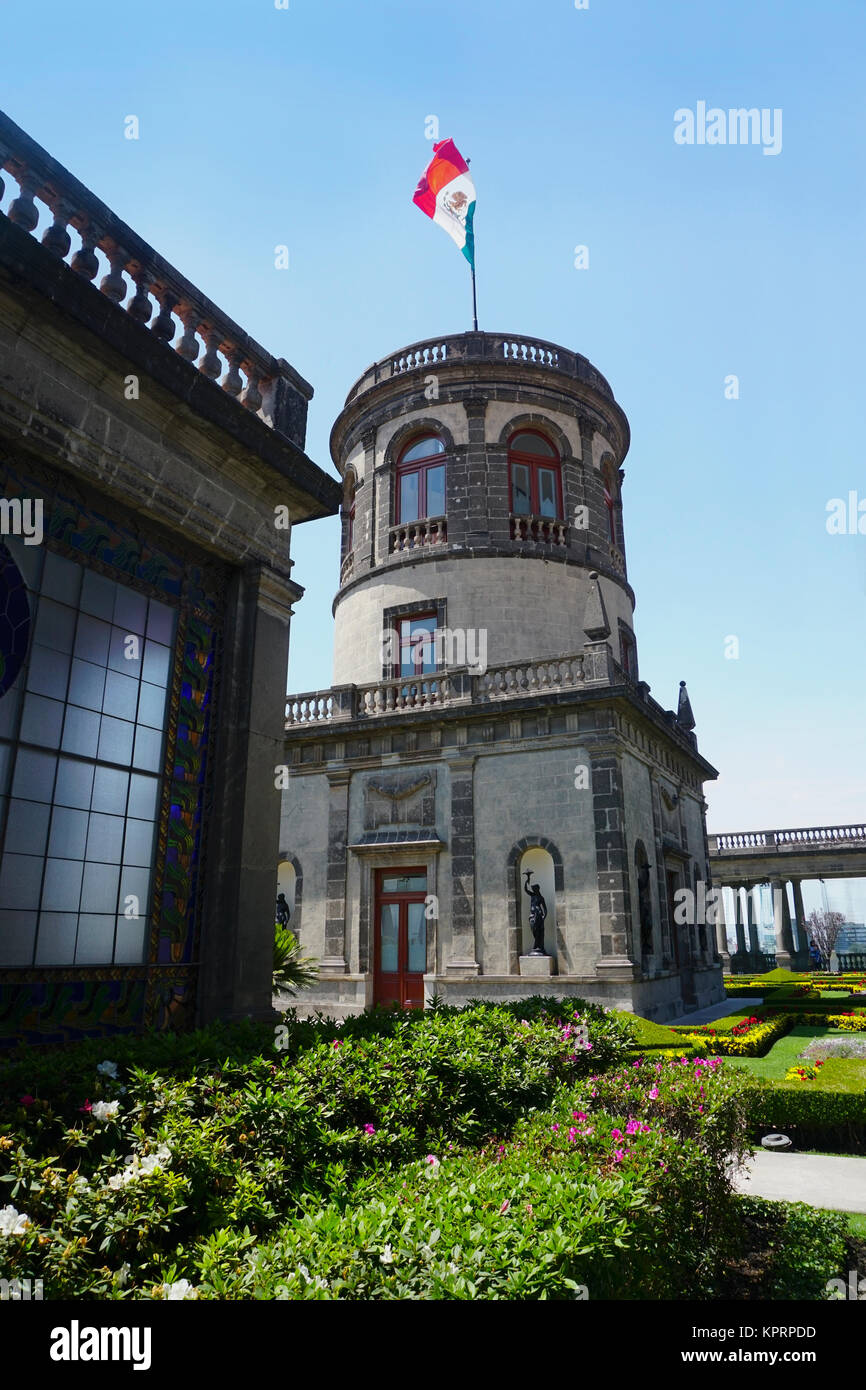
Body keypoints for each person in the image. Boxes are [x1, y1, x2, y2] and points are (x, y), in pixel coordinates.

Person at [524, 871, 548, 954]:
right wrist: (527, 880)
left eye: (534, 889)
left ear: (537, 889)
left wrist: (543, 917)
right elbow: (526, 890)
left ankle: (539, 947)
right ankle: (536, 946)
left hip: (539, 916)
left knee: (539, 932)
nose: (533, 890)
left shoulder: (541, 898)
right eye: (533, 889)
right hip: (532, 916)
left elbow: (545, 909)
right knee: (534, 931)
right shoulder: (532, 895)